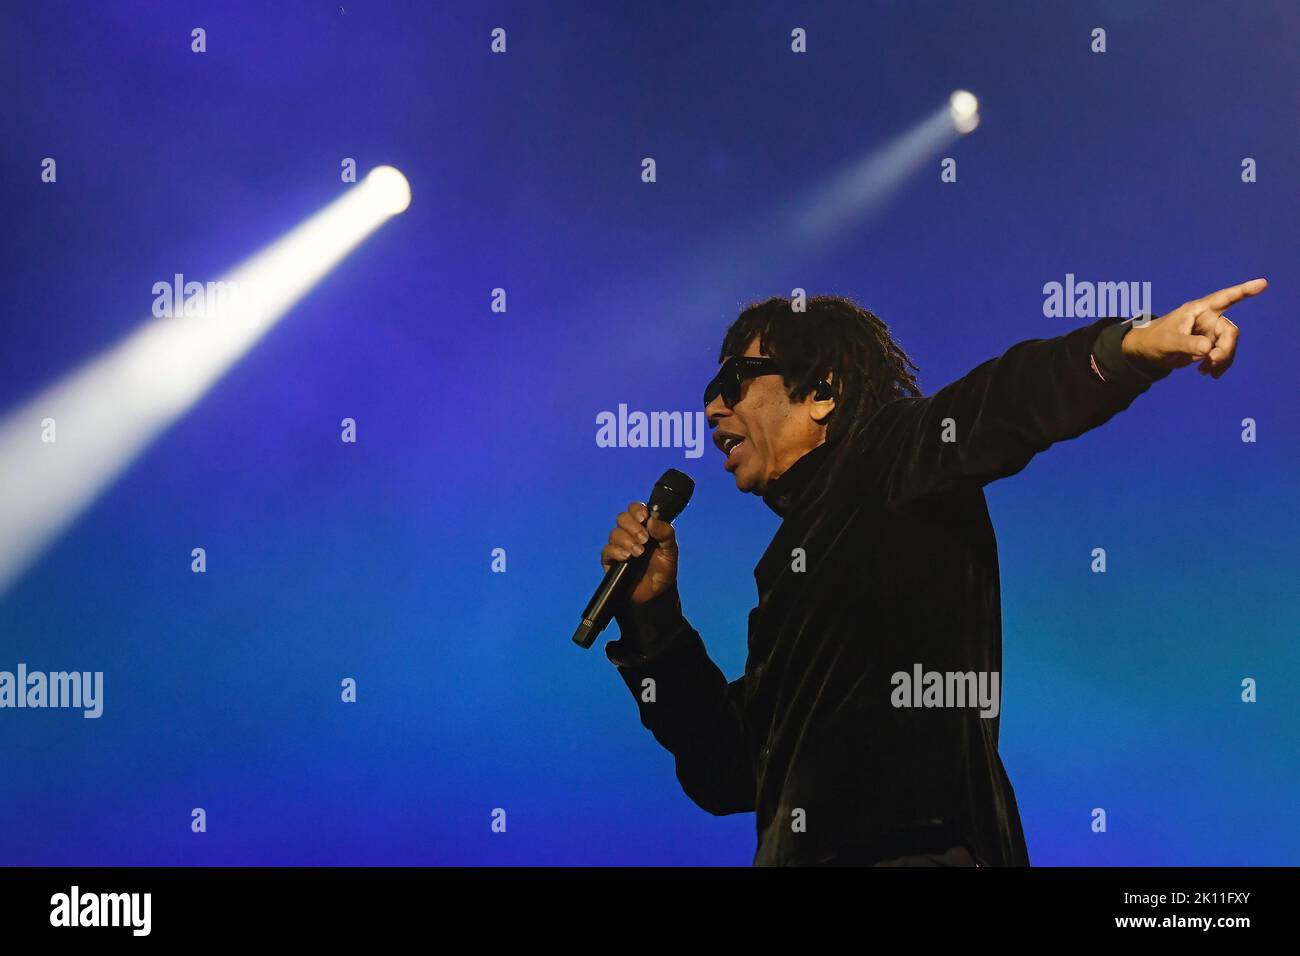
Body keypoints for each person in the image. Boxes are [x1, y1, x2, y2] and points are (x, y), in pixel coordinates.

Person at [598, 279, 1267, 866]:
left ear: (822, 391)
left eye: (732, 382)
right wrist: (655, 619)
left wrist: (1130, 349)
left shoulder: (891, 457)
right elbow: (727, 772)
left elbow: (1000, 402)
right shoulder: (789, 571)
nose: (712, 408)